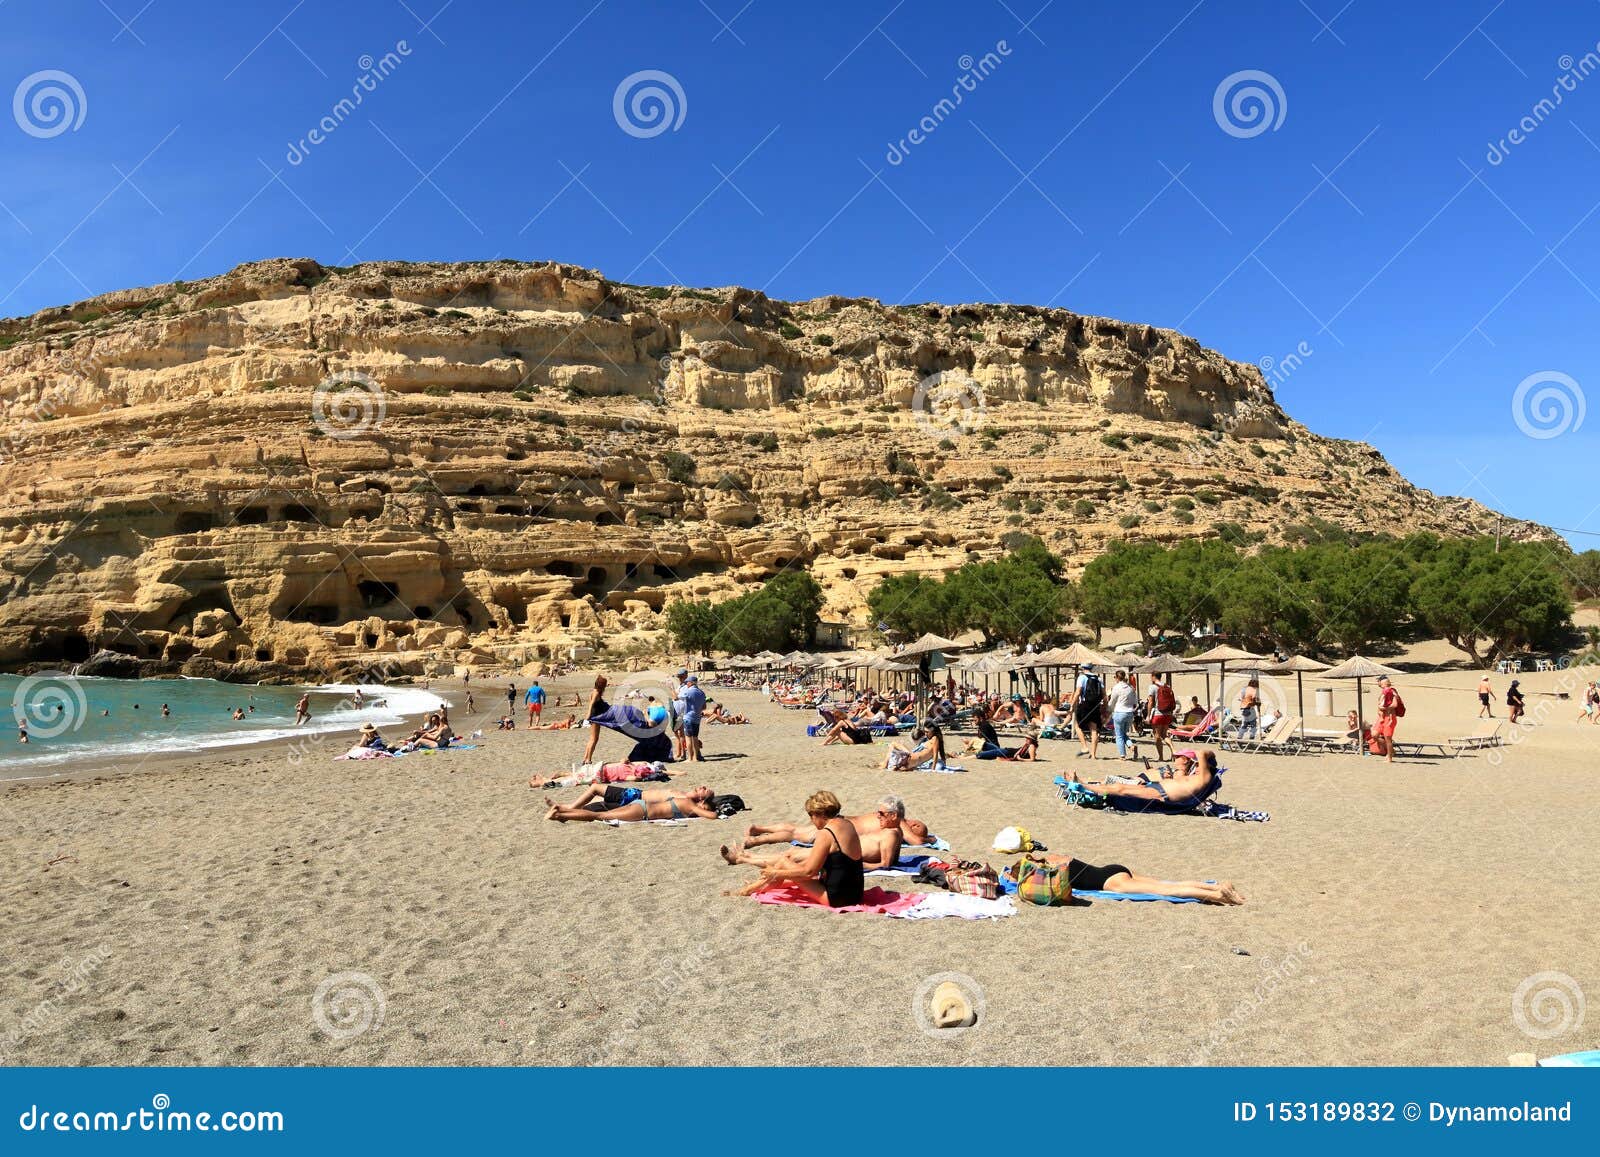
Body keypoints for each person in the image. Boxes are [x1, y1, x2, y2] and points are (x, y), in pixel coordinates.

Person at [723, 790, 864, 908]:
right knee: (786, 871)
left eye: (811, 815)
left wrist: (776, 873)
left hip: (837, 898)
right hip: (856, 894)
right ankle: (757, 885)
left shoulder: (826, 834)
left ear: (819, 813)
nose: (811, 820)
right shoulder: (847, 824)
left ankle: (747, 890)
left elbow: (809, 872)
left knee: (783, 863)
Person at [1005, 853, 1243, 904]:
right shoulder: (1055, 858)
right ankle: (1217, 886)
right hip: (1113, 868)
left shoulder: (1050, 877)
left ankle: (1217, 894)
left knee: (1166, 891)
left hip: (1110, 883)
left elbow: (1052, 893)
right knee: (1165, 884)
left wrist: (1014, 878)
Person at [1084, 749, 1217, 805]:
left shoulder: (1203, 779)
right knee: (1121, 787)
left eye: (1199, 765)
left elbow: (1201, 753)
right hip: (1157, 786)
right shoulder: (1193, 777)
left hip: (1162, 793)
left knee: (1121, 789)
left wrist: (1209, 757)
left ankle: (1083, 786)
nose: (1196, 767)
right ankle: (1085, 785)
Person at [545, 784, 717, 823]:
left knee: (599, 807)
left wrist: (705, 806)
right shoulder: (688, 803)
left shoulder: (688, 802)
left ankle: (563, 811)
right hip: (641, 809)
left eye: (704, 790)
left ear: (701, 800)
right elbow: (712, 815)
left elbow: (707, 812)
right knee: (599, 814)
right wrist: (714, 811)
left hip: (638, 802)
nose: (702, 787)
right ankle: (561, 813)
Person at [882, 725, 948, 771]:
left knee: (893, 743)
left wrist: (933, 769)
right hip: (911, 762)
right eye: (925, 732)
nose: (925, 734)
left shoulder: (935, 739)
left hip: (911, 758)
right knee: (892, 747)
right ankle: (885, 765)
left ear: (933, 732)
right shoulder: (932, 741)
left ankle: (885, 764)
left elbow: (935, 754)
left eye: (927, 732)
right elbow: (938, 754)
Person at [1107, 670, 1140, 759]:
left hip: (1119, 712)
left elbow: (1112, 701)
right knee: (1123, 734)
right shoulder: (1131, 688)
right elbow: (1135, 702)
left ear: (1117, 678)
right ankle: (1131, 746)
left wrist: (1108, 709)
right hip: (1129, 713)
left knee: (1119, 735)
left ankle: (1122, 755)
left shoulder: (1116, 687)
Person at [1073, 667, 1104, 759]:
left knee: (1077, 726)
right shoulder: (1099, 679)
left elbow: (1078, 692)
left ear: (1083, 668)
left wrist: (1072, 704)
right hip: (1095, 706)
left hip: (1085, 705)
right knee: (1094, 730)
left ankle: (1084, 747)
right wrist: (1105, 706)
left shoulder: (1082, 677)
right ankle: (1093, 755)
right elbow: (1104, 694)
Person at [1146, 674, 1175, 761]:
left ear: (1153, 677)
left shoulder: (1152, 687)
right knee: (1164, 735)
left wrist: (1148, 716)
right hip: (1168, 714)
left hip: (1157, 714)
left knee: (1157, 736)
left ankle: (1161, 757)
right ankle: (1173, 749)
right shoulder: (1167, 686)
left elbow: (1150, 702)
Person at [678, 674, 707, 762]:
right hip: (697, 718)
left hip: (688, 717)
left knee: (688, 738)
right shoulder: (701, 692)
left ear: (691, 683)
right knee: (695, 738)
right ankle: (696, 757)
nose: (686, 684)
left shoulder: (688, 691)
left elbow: (676, 698)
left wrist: (671, 688)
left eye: (687, 682)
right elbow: (704, 707)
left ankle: (690, 758)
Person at [1374, 675, 1402, 763]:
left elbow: (1394, 704)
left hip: (1389, 717)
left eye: (1378, 681)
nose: (1377, 683)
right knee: (1374, 734)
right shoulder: (1383, 691)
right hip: (1381, 718)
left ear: (1382, 682)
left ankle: (1389, 757)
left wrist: (1383, 708)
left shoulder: (1391, 691)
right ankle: (1391, 751)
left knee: (1387, 738)